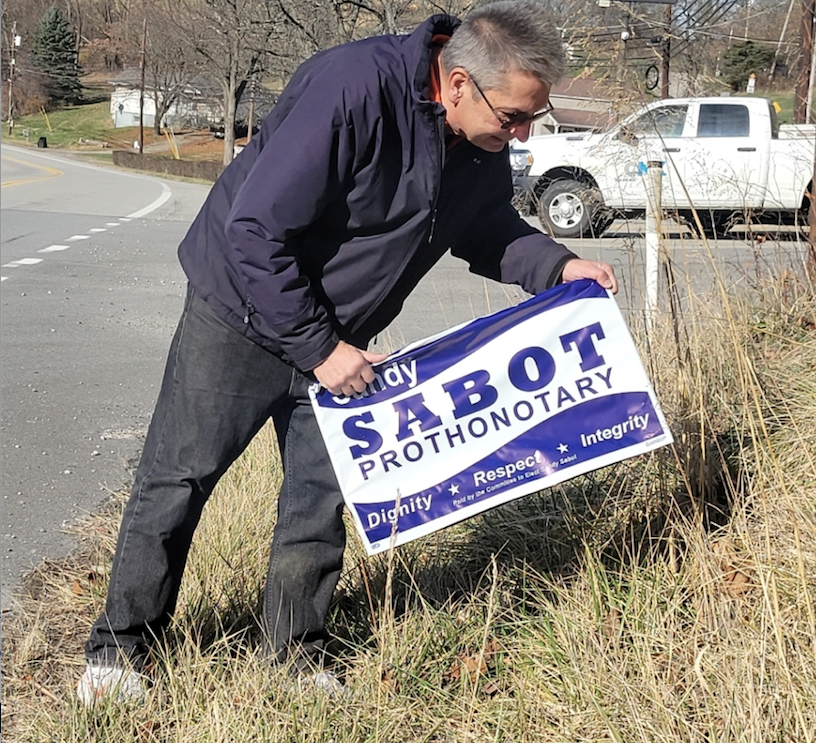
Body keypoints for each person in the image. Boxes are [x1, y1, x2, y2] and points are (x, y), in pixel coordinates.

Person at [77, 0, 617, 705]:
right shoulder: (351, 90)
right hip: (238, 309)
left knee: (318, 499)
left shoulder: (480, 145)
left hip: (342, 336)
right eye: (514, 117)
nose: (522, 133)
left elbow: (484, 226)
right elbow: (253, 231)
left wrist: (559, 265)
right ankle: (118, 654)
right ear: (458, 85)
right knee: (178, 478)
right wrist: (317, 346)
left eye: (531, 120)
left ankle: (293, 656)